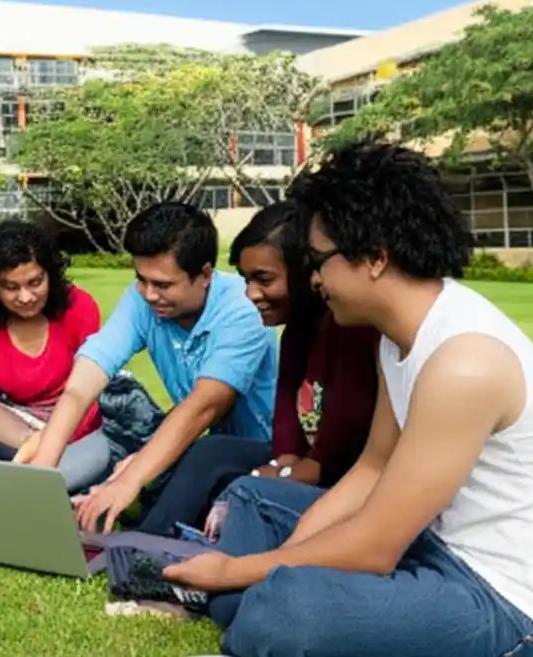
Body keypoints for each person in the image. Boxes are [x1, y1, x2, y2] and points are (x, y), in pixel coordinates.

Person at [164, 142, 533, 657]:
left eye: (319, 261)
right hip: (441, 549)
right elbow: (373, 470)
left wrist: (237, 572)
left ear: (375, 257)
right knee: (255, 498)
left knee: (286, 612)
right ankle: (261, 601)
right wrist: (284, 561)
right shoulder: (399, 338)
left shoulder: (463, 363)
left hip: (518, 604)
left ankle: (259, 607)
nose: (315, 280)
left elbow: (376, 548)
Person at [15, 202, 278, 534]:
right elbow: (85, 381)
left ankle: (144, 541)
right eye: (142, 280)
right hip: (196, 443)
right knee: (136, 464)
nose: (150, 294)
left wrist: (131, 480)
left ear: (205, 275)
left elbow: (205, 406)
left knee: (179, 464)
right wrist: (41, 475)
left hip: (268, 453)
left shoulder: (242, 310)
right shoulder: (143, 299)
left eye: (164, 285)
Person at [134, 201, 379, 537]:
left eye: (264, 279)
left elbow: (334, 456)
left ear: (306, 271)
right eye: (246, 279)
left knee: (248, 492)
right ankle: (150, 538)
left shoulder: (351, 330)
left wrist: (268, 479)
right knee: (213, 451)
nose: (251, 294)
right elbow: (287, 432)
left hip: (348, 483)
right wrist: (280, 465)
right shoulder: (297, 331)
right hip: (303, 466)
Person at [0, 220, 114, 493]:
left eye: (34, 282)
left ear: (50, 276)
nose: (26, 297)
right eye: (11, 287)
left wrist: (50, 441)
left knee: (101, 451)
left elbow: (86, 391)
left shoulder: (79, 308)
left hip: (72, 438)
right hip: (10, 433)